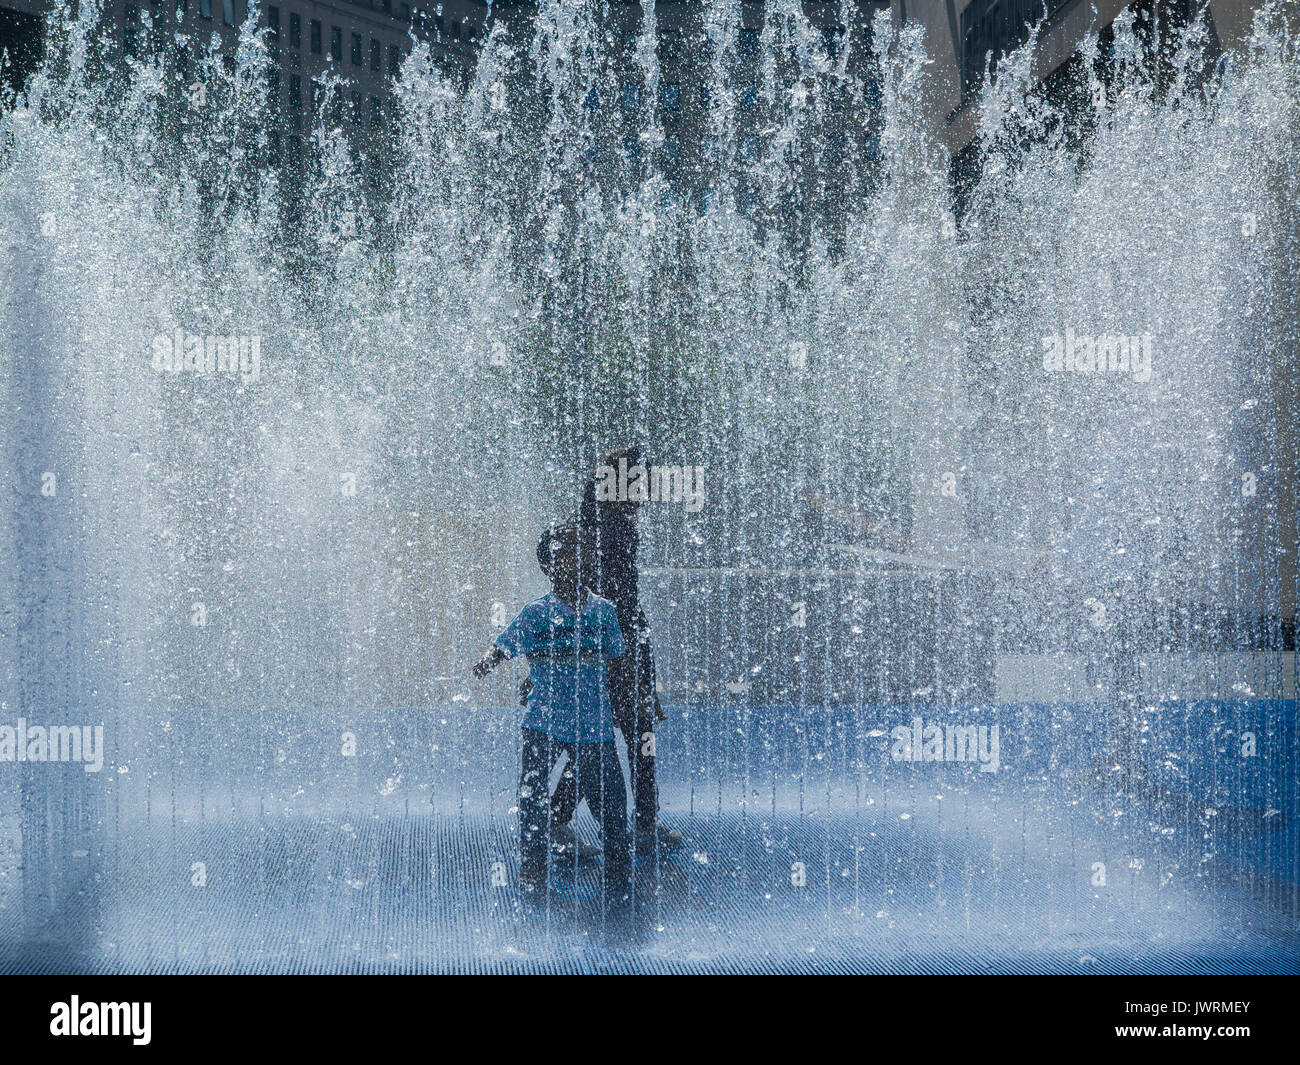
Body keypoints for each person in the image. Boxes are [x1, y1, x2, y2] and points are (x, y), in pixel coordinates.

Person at [471, 524, 634, 924]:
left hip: (595, 724)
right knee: (532, 796)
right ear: (549, 565)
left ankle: (619, 865)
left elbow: (619, 662)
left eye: (581, 553)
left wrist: (633, 702)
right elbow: (505, 643)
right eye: (564, 554)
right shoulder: (536, 613)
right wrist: (486, 663)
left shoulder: (604, 613)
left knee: (610, 800)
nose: (574, 560)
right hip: (542, 721)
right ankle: (531, 865)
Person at [547, 445, 682, 854]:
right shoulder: (616, 532)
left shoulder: (591, 524)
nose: (647, 492)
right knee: (626, 739)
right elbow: (623, 606)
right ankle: (630, 825)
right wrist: (638, 674)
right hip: (617, 653)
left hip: (601, 651)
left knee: (603, 739)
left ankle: (566, 820)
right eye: (641, 483)